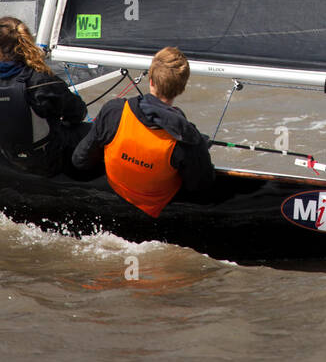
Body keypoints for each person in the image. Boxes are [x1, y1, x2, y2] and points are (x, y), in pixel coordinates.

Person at [71, 46, 215, 217]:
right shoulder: (187, 138)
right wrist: (200, 149)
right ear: (181, 88)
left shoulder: (114, 111)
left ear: (151, 81)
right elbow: (200, 186)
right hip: (155, 207)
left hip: (115, 190)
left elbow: (80, 161)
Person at [0, 16, 89, 175]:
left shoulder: (41, 80)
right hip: (47, 160)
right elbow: (78, 113)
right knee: (90, 130)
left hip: (6, 156)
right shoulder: (42, 80)